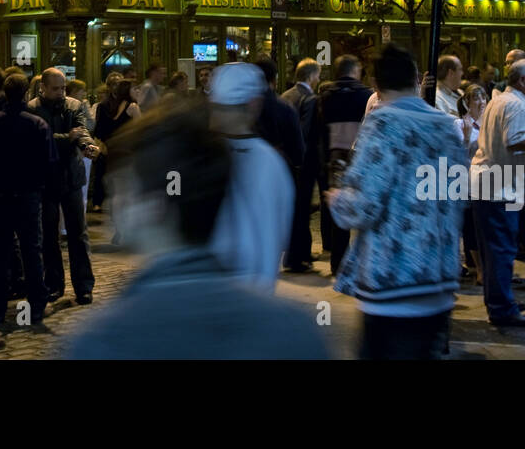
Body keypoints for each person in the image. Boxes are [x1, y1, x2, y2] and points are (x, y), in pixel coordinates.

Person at [65, 105, 329, 359]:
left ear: (154, 207)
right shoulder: (296, 330)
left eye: (123, 187)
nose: (113, 202)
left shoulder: (104, 340)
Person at [327, 44, 465, 359]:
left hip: (394, 283)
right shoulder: (445, 125)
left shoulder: (384, 122)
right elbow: (459, 195)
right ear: (417, 78)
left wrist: (337, 199)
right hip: (440, 280)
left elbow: (364, 204)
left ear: (376, 85)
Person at [470, 59, 525, 327]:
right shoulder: (515, 105)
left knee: (494, 250)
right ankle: (502, 309)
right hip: (498, 186)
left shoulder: (499, 100)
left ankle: (499, 301)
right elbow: (514, 140)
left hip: (488, 183)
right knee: (502, 250)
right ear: (521, 81)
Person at [0, 71, 53, 324]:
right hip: (27, 195)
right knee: (31, 251)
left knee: (1, 253)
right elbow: (49, 162)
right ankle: (36, 304)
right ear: (26, 94)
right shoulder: (38, 125)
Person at [208, 62, 293, 290]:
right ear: (255, 104)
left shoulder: (195, 157)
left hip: (204, 295)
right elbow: (279, 231)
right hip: (256, 294)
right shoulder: (272, 163)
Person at [28, 68, 98, 305]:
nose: (60, 92)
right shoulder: (33, 108)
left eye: (63, 88)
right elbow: (40, 141)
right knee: (49, 235)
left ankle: (84, 286)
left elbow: (82, 130)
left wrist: (86, 144)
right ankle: (54, 284)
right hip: (46, 179)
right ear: (43, 88)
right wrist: (65, 138)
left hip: (70, 176)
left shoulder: (73, 105)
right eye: (55, 88)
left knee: (78, 233)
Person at [316, 54, 372, 276]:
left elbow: (319, 132)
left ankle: (338, 263)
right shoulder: (366, 96)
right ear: (355, 70)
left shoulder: (326, 97)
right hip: (360, 158)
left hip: (335, 159)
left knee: (340, 209)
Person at [281, 58, 322, 273]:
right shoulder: (310, 99)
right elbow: (305, 134)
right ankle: (299, 255)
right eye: (318, 74)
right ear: (311, 76)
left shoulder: (286, 96)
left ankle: (295, 253)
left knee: (294, 208)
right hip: (303, 163)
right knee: (303, 208)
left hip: (285, 161)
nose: (319, 79)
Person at [89, 75, 139, 212]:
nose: (138, 91)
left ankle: (117, 221)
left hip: (112, 149)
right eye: (135, 89)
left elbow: (100, 130)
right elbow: (141, 130)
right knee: (126, 190)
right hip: (127, 151)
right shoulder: (132, 106)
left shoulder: (112, 106)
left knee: (116, 189)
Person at [251, 54, 305, 173]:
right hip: (280, 171)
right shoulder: (285, 108)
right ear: (274, 80)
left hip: (251, 171)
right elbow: (298, 152)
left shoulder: (244, 108)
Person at [456, 82, 487, 279]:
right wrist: (467, 139)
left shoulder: (489, 122)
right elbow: (457, 155)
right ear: (467, 102)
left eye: (483, 97)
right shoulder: (460, 124)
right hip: (468, 181)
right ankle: (479, 269)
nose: (481, 102)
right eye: (476, 98)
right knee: (471, 227)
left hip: (491, 179)